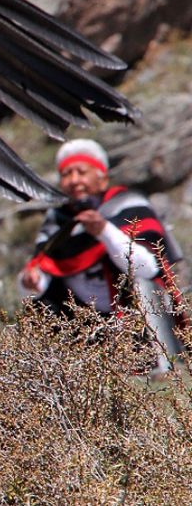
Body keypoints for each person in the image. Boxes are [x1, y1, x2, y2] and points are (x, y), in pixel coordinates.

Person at [20, 139, 186, 371]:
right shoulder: (58, 219)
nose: (75, 180)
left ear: (102, 177)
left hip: (132, 312)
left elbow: (148, 267)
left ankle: (156, 366)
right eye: (67, 174)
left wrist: (104, 232)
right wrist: (32, 281)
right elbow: (43, 269)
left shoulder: (129, 204)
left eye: (81, 172)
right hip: (80, 317)